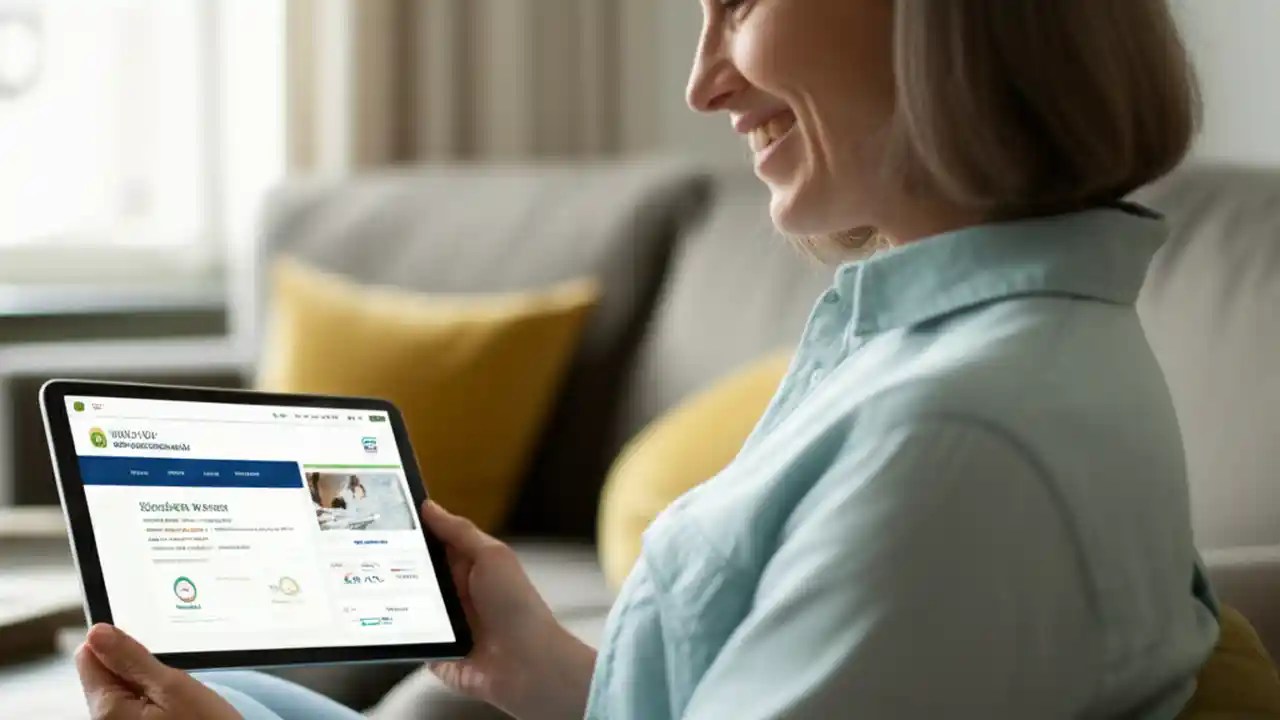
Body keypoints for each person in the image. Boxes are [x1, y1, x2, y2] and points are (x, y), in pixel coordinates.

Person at [74, 1, 1219, 718]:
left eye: (738, 5)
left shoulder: (957, 444)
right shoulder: (965, 354)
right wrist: (548, 667)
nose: (702, 82)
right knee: (222, 687)